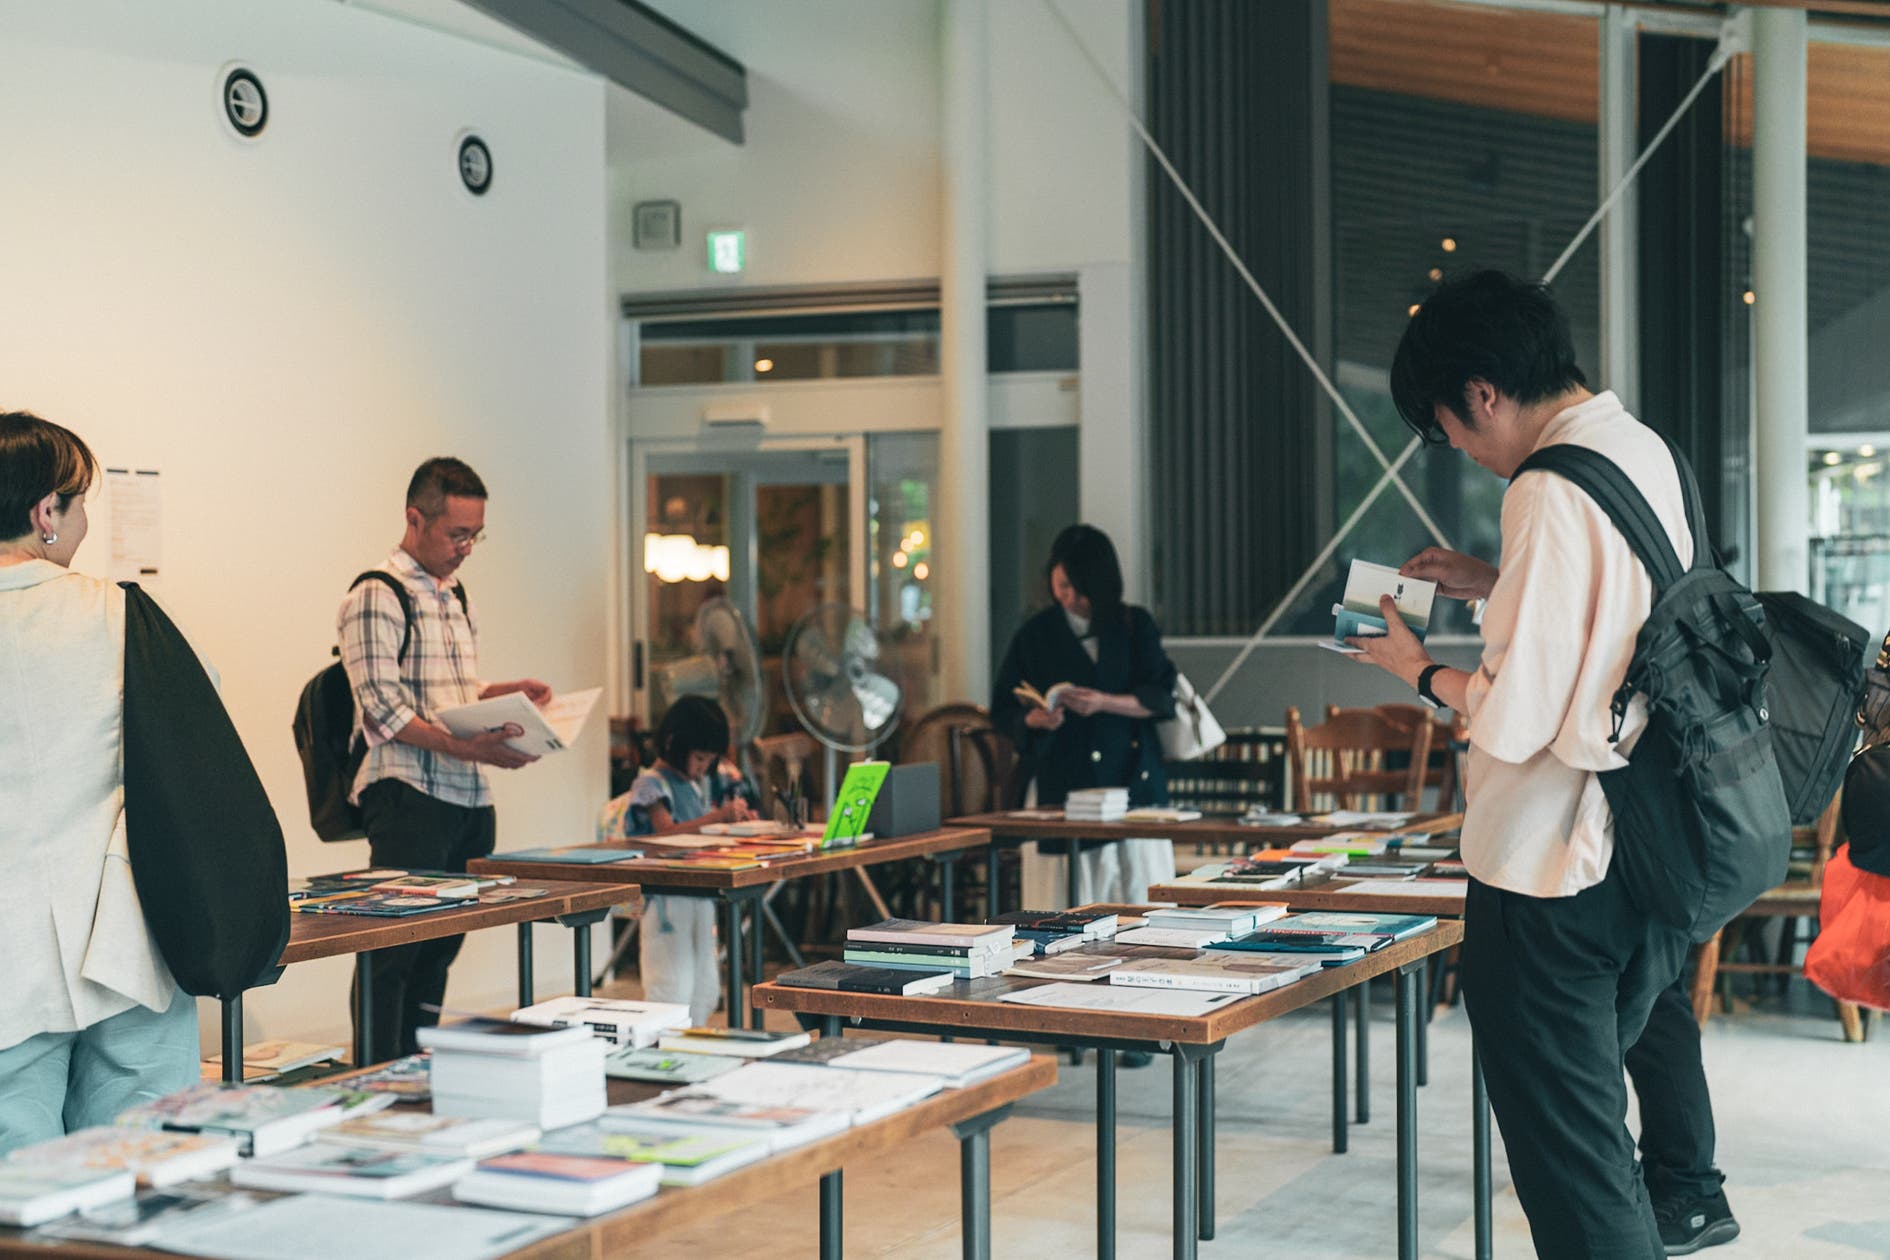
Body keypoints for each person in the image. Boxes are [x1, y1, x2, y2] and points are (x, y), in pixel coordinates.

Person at [1350, 270, 1733, 1258]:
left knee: (1573, 1165)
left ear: (1482, 394)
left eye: (1452, 431)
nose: (1467, 457)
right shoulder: (1641, 451)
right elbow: (1619, 624)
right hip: (1647, 850)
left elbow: (1515, 717)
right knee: (1592, 1139)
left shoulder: (1549, 484)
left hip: (1554, 868)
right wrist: (1493, 585)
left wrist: (1417, 667)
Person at [0, 411, 199, 1154]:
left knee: (15, 1196)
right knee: (142, 1170)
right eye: (79, 501)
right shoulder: (120, 617)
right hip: (122, 937)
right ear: (43, 512)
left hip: (6, 960)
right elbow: (193, 751)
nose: (84, 519)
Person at [338, 456, 549, 1061]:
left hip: (467, 798)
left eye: (475, 536)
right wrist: (469, 746)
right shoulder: (375, 595)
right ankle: (378, 1072)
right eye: (458, 534)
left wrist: (508, 700)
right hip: (408, 795)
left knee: (442, 946)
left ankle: (420, 1066)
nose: (467, 549)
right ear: (415, 519)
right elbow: (382, 710)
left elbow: (450, 696)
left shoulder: (456, 594)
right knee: (393, 949)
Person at [992, 524, 1179, 907]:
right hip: (1063, 786)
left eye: (1078, 588)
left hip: (1133, 785)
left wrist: (1103, 702)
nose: (1069, 598)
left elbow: (1160, 698)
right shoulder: (1035, 634)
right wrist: (1034, 720)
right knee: (1063, 907)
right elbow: (1002, 710)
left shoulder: (1133, 625)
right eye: (1061, 586)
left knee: (1138, 899)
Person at [598, 695, 759, 1024]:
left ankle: (693, 1039)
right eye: (699, 757)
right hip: (666, 898)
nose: (703, 767)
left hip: (697, 892)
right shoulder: (651, 784)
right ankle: (666, 1046)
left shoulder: (692, 784)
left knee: (704, 982)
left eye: (708, 760)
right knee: (671, 981)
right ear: (674, 743)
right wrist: (718, 817)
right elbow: (666, 833)